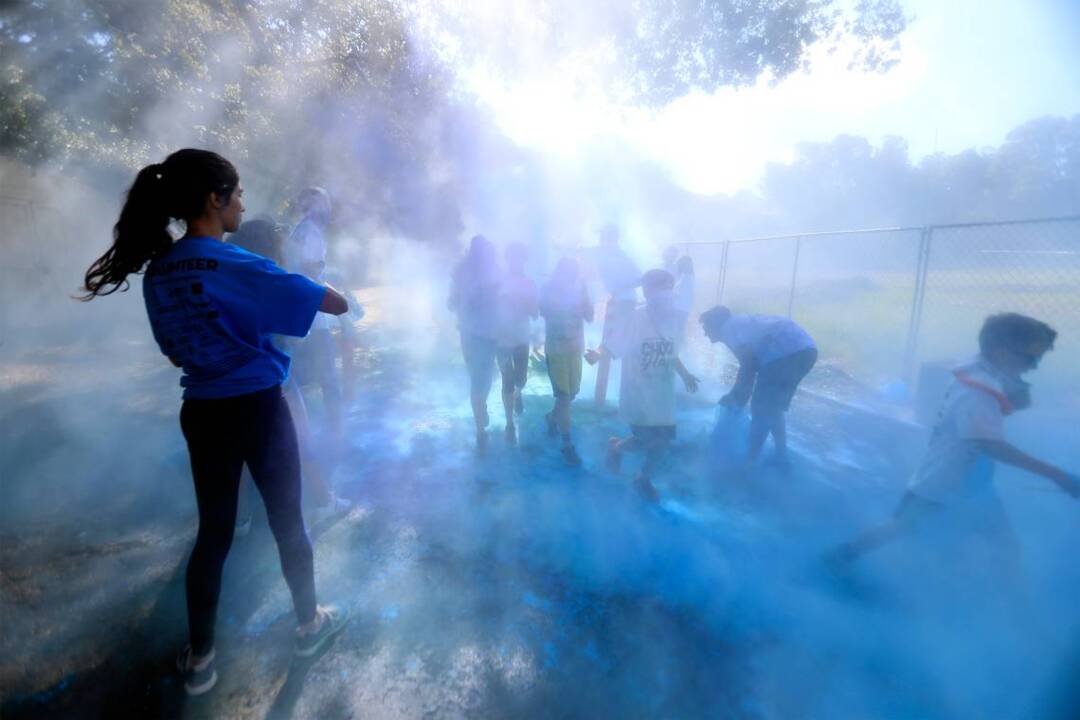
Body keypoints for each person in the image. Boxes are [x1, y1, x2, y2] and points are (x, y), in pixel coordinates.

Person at [81, 150, 350, 696]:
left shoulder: (159, 273)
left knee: (214, 534)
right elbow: (336, 304)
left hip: (202, 412)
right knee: (287, 521)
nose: (242, 204)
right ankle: (308, 626)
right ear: (215, 199)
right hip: (259, 408)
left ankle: (200, 661)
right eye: (239, 193)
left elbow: (176, 354)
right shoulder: (244, 266)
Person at [827, 313, 1079, 570]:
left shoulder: (984, 368)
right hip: (943, 482)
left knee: (1006, 549)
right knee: (902, 527)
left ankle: (1014, 606)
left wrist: (1015, 391)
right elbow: (991, 446)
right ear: (1002, 353)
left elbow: (1014, 400)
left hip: (975, 484)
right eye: (1031, 358)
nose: (1034, 366)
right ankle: (841, 556)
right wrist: (1055, 474)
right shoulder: (976, 394)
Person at [228, 220, 349, 532]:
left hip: (227, 384)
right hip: (271, 381)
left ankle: (239, 520)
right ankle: (323, 503)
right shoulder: (273, 280)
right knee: (299, 444)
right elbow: (338, 305)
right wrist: (310, 275)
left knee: (238, 455)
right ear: (271, 249)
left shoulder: (225, 279)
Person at [586, 269, 699, 500]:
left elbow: (671, 352)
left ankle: (642, 477)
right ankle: (616, 448)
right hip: (638, 392)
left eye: (667, 287)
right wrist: (597, 354)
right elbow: (612, 344)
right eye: (658, 287)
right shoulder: (636, 319)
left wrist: (685, 374)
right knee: (648, 440)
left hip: (662, 395)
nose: (664, 293)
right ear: (647, 292)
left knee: (663, 443)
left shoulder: (674, 320)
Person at [699, 306, 817, 467]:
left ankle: (750, 462)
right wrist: (737, 397)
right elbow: (749, 366)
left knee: (760, 407)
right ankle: (780, 455)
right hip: (805, 349)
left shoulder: (729, 328)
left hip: (785, 354)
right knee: (773, 407)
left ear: (714, 324)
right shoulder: (739, 324)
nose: (705, 334)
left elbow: (749, 365)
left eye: (705, 328)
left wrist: (736, 398)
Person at [285, 187, 344, 440]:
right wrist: (334, 297)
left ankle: (306, 435)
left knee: (299, 379)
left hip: (301, 319)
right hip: (314, 319)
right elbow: (309, 271)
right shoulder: (309, 231)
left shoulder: (300, 230)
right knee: (328, 379)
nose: (328, 208)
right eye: (323, 203)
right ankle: (336, 433)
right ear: (311, 206)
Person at [448, 235, 501, 452]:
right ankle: (480, 427)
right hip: (474, 334)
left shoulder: (493, 272)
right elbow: (451, 304)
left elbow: (503, 300)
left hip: (484, 334)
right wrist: (468, 300)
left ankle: (481, 414)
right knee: (479, 379)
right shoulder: (461, 275)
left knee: (482, 379)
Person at [539, 257, 594, 465]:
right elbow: (541, 312)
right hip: (556, 349)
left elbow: (590, 315)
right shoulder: (548, 289)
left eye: (573, 273)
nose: (569, 277)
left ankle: (552, 418)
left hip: (575, 347)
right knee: (563, 396)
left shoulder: (581, 288)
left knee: (571, 395)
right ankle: (567, 444)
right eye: (566, 273)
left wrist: (585, 309)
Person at [592, 225, 641, 407]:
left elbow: (640, 278)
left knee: (620, 343)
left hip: (624, 301)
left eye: (604, 238)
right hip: (617, 300)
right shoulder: (606, 255)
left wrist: (619, 287)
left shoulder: (622, 257)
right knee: (614, 340)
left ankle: (614, 398)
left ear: (611, 239)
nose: (601, 242)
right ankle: (602, 395)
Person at [496, 242, 538, 446]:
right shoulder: (498, 281)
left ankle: (518, 394)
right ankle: (509, 423)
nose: (516, 262)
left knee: (521, 379)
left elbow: (536, 313)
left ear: (524, 260)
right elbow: (490, 309)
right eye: (512, 257)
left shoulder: (529, 283)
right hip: (501, 339)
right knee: (507, 379)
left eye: (519, 258)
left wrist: (526, 305)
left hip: (521, 337)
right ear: (507, 259)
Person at [673, 254, 695, 320]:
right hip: (682, 309)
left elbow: (685, 295)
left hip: (680, 309)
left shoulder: (687, 278)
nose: (678, 267)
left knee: (678, 328)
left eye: (679, 265)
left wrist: (671, 295)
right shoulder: (686, 277)